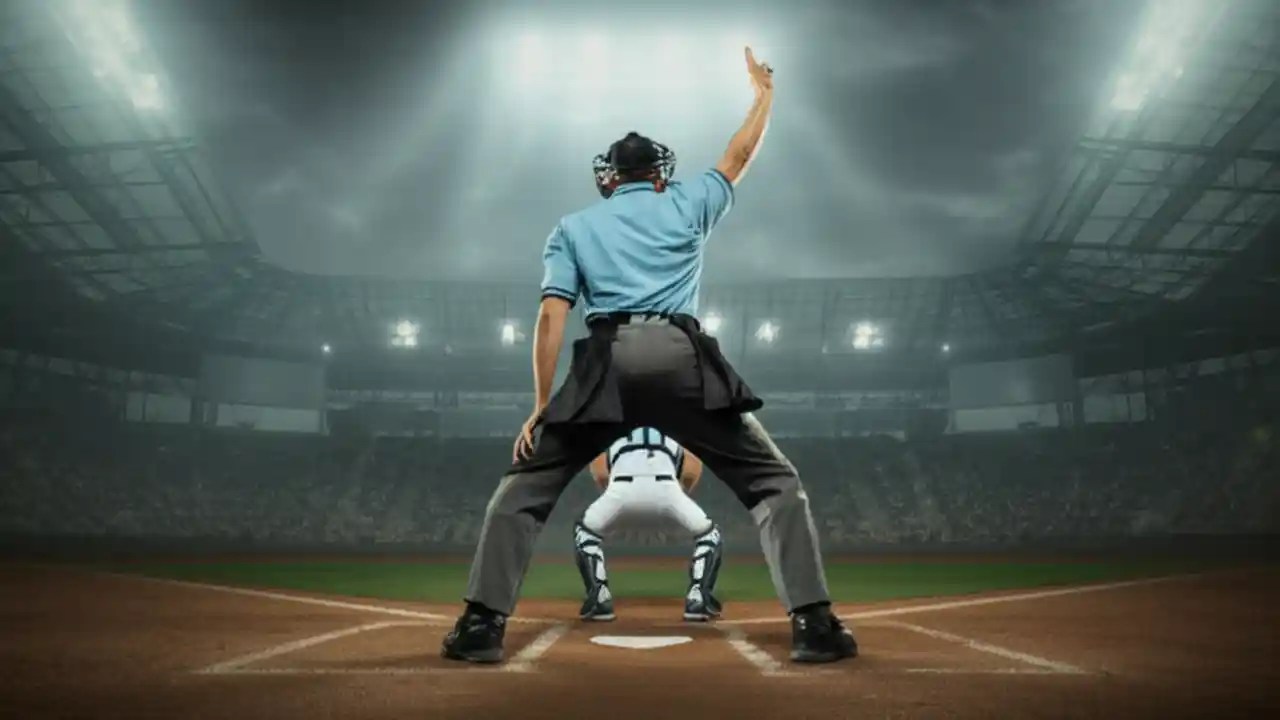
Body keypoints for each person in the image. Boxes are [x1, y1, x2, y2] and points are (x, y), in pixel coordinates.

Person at [441, 47, 857, 665]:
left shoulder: (573, 226)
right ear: (659, 173)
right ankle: (813, 624)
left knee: (524, 488)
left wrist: (539, 406)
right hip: (680, 355)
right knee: (774, 483)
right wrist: (764, 92)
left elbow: (551, 315)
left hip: (603, 364)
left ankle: (480, 625)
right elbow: (739, 155)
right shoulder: (688, 202)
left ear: (608, 176)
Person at [574, 427, 723, 623]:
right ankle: (698, 599)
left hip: (620, 487)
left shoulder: (610, 431)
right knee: (709, 535)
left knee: (585, 535)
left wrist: (615, 511)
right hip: (667, 487)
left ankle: (599, 599)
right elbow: (690, 470)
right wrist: (676, 504)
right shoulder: (676, 429)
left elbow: (601, 473)